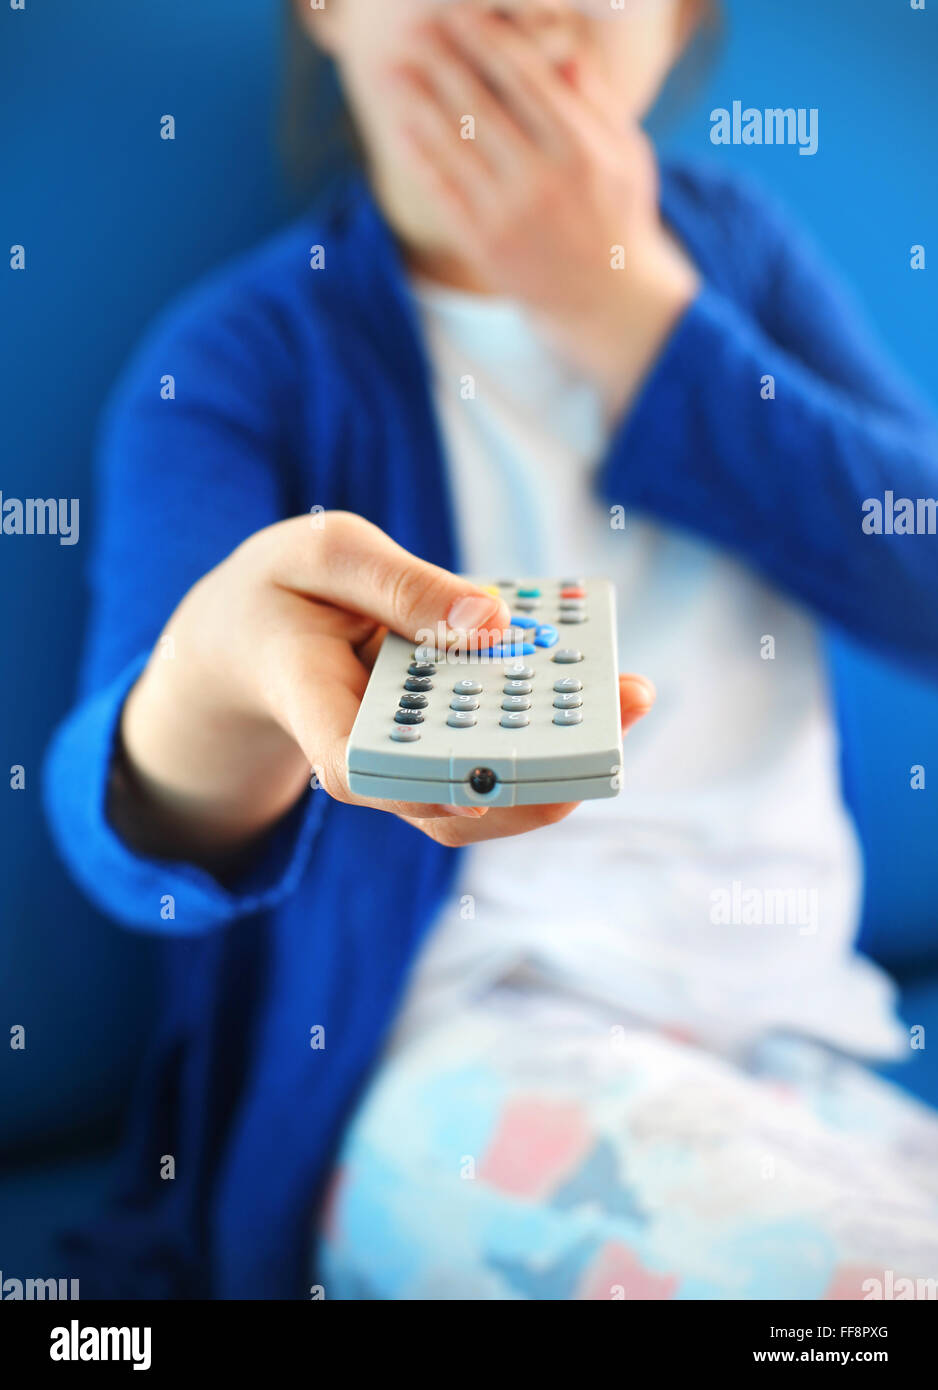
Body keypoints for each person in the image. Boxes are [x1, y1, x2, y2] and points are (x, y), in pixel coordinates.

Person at [45, 0, 938, 1300]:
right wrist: (218, 689)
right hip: (435, 1071)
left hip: (786, 1037)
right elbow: (121, 818)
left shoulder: (737, 259)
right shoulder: (247, 358)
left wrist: (627, 314)